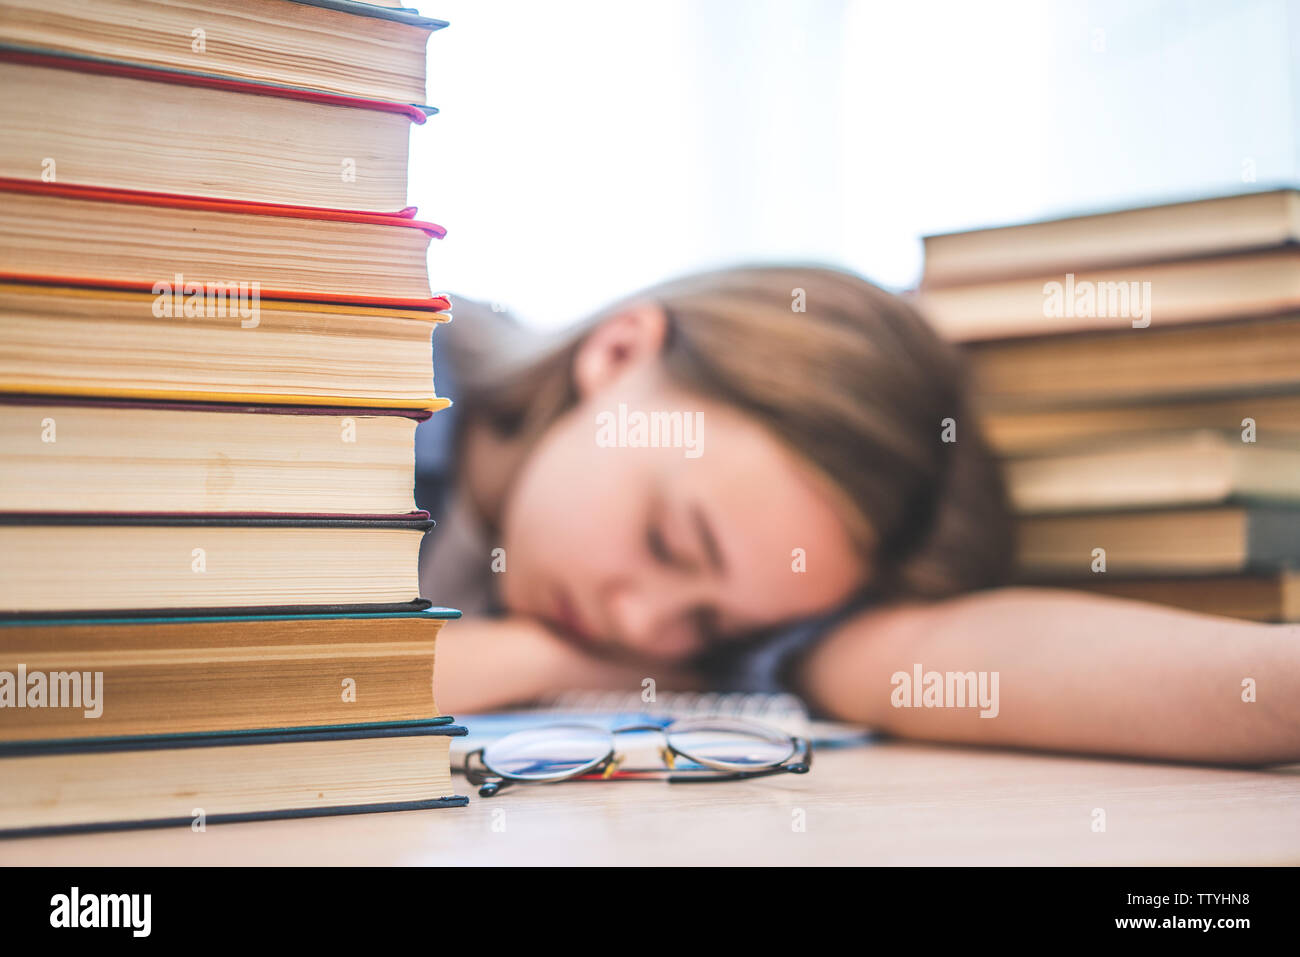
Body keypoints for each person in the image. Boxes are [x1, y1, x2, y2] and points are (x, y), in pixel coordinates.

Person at [417, 265, 1300, 766]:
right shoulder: (358, 370)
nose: (643, 625)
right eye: (668, 538)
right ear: (617, 356)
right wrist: (537, 654)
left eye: (708, 621)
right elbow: (281, 681)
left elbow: (921, 657)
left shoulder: (688, 632)